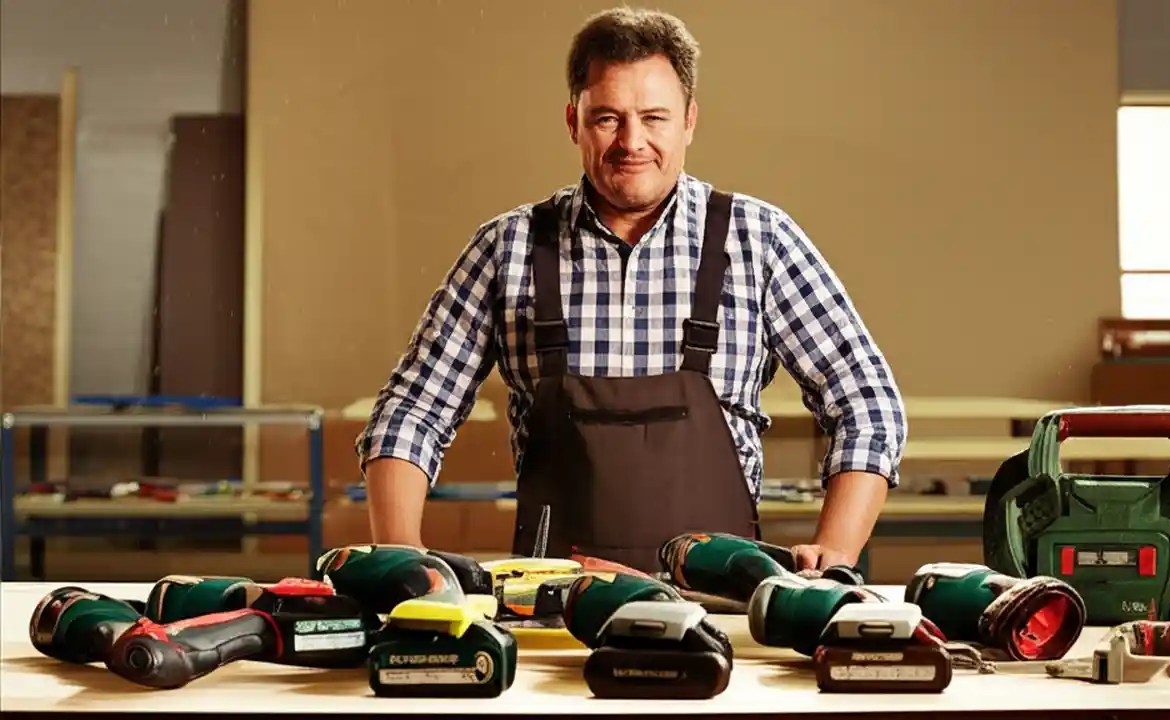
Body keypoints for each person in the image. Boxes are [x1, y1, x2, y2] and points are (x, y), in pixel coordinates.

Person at [356, 6, 906, 573]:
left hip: (719, 608)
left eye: (654, 117)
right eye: (607, 119)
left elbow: (867, 402)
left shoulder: (758, 240)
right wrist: (401, 560)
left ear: (690, 120)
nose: (632, 142)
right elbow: (411, 412)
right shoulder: (509, 247)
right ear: (573, 121)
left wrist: (836, 552)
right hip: (554, 613)